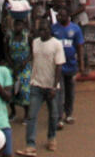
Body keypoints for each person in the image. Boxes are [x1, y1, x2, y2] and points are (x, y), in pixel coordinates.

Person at [21, 21, 63, 156]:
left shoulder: (56, 44)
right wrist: (25, 62)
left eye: (44, 30)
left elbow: (59, 66)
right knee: (32, 115)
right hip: (36, 84)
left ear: (50, 30)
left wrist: (54, 86)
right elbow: (32, 56)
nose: (42, 33)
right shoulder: (35, 42)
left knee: (53, 115)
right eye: (40, 30)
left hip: (51, 86)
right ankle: (30, 144)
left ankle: (52, 138)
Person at [50, 7, 85, 125]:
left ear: (68, 16)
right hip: (58, 66)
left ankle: (68, 114)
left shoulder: (75, 29)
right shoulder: (53, 29)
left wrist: (81, 65)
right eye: (58, 15)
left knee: (70, 92)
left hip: (71, 65)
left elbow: (80, 47)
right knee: (59, 92)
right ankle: (59, 117)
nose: (59, 17)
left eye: (62, 15)